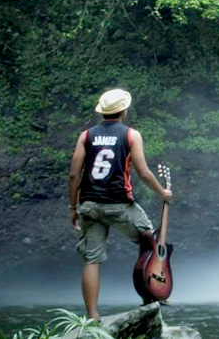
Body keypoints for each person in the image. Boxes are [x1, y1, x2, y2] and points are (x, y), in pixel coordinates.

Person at [68, 88, 172, 320]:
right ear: (124, 110)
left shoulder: (86, 136)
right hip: (120, 204)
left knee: (91, 259)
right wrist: (162, 193)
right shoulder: (131, 135)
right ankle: (151, 294)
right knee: (151, 240)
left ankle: (92, 317)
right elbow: (143, 172)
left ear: (103, 112)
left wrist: (73, 208)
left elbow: (75, 174)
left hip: (90, 205)